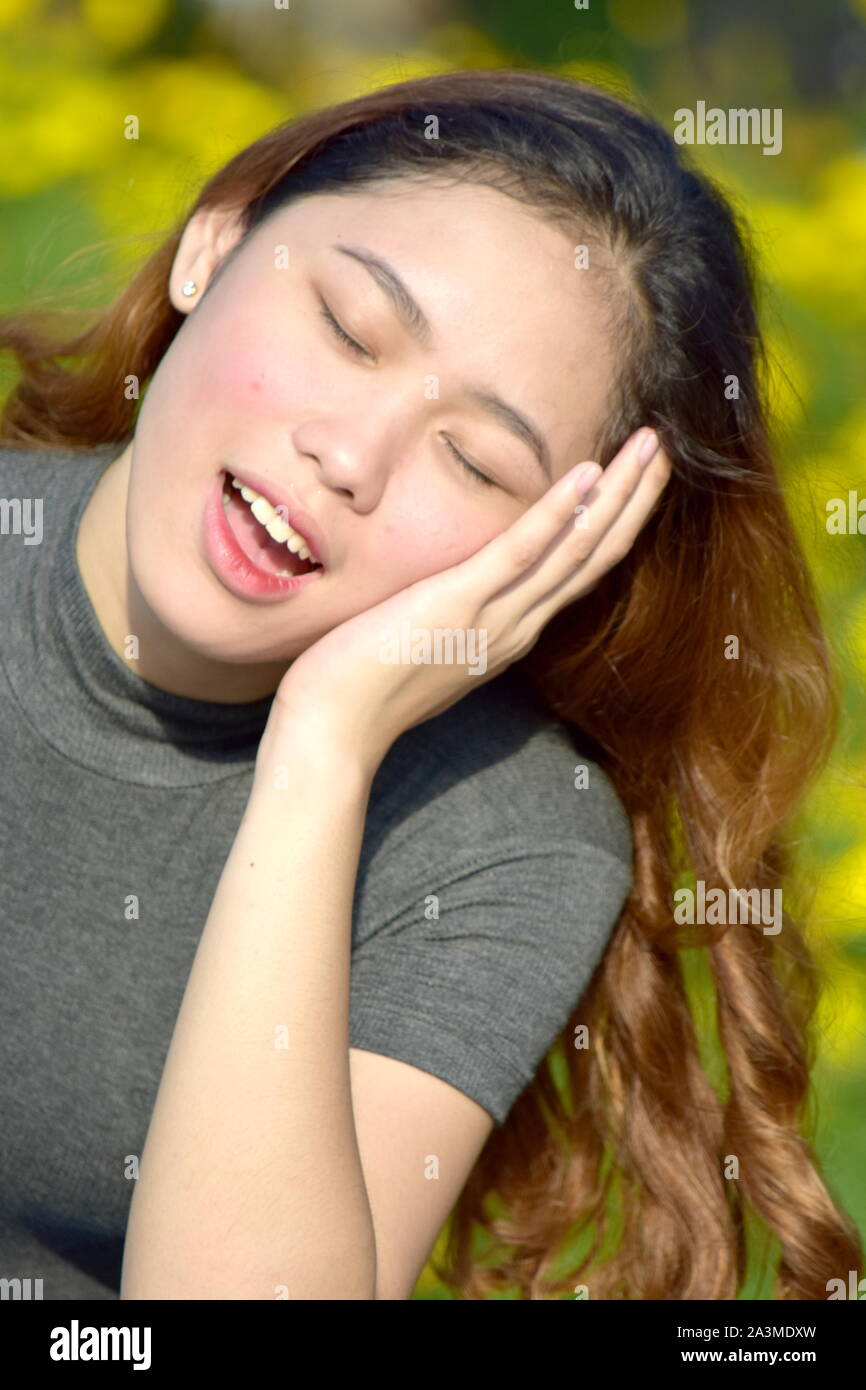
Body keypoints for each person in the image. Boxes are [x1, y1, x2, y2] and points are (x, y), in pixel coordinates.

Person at [0, 68, 859, 1301]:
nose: (349, 458)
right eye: (349, 328)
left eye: (471, 460)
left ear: (562, 553)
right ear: (216, 240)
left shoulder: (499, 835)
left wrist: (320, 759)